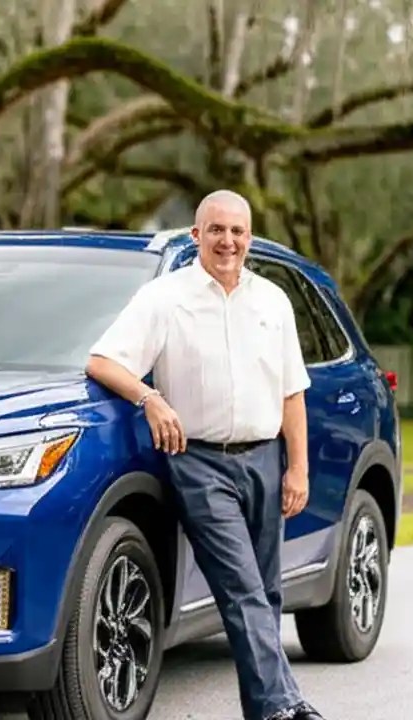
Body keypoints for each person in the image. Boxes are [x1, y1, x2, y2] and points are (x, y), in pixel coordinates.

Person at [85, 190, 324, 720]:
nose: (228, 241)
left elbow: (292, 392)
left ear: (250, 238)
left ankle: (271, 704)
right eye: (216, 230)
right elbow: (102, 361)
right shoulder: (163, 298)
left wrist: (297, 468)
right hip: (199, 462)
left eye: (238, 231)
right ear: (196, 235)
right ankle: (282, 708)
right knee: (241, 586)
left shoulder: (272, 302)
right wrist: (149, 399)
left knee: (265, 590)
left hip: (264, 457)